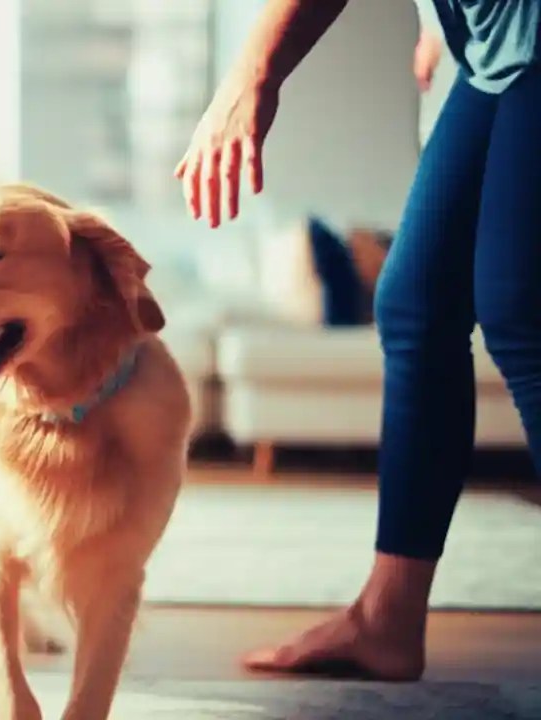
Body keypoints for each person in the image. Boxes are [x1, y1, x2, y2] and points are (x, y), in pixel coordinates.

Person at [176, 0, 541, 680]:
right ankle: (387, 621)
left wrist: (254, 73)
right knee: (416, 304)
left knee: (519, 306)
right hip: (497, 38)